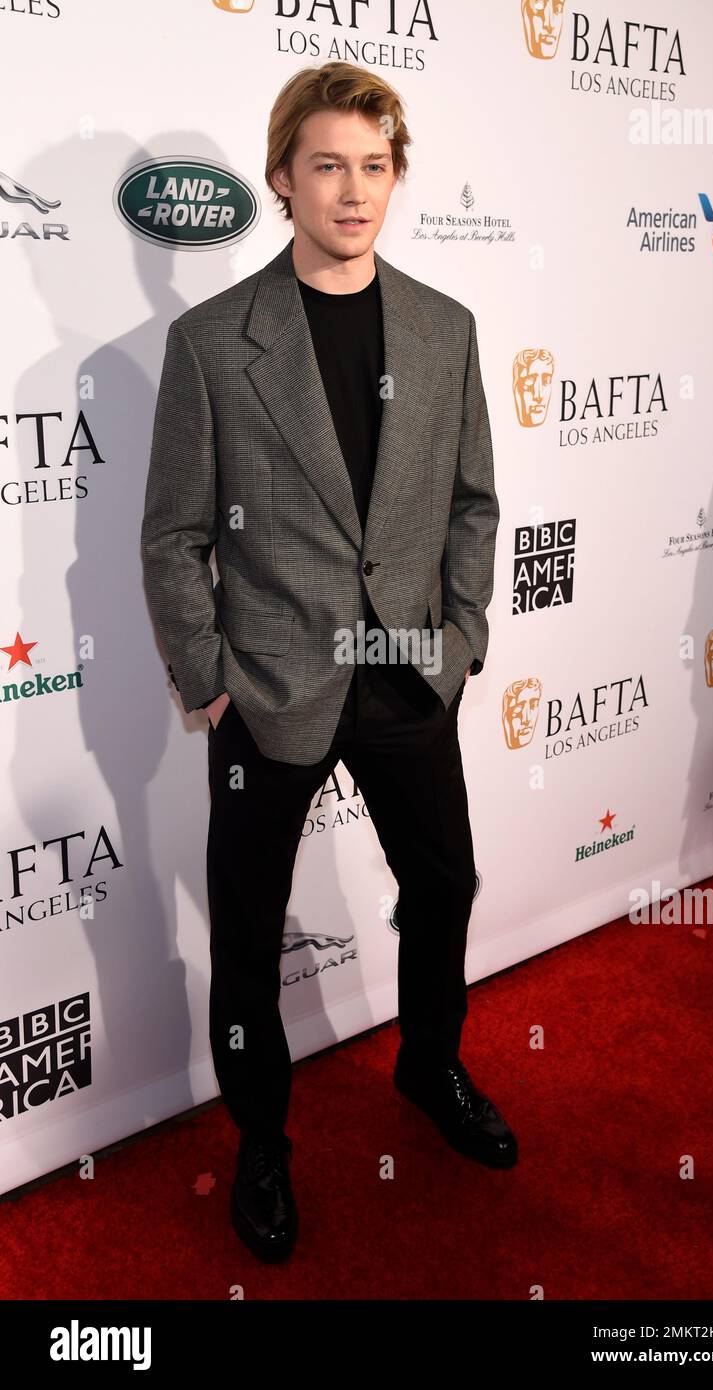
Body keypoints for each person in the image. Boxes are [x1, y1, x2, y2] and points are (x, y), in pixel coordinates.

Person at [140, 59, 516, 1265]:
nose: (351, 192)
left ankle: (427, 1064)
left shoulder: (444, 330)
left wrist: (458, 644)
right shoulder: (212, 343)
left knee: (444, 887)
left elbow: (470, 504)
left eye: (371, 166)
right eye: (326, 167)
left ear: (394, 177)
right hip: (271, 686)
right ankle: (262, 1140)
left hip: (409, 673)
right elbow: (174, 532)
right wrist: (207, 673)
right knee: (250, 931)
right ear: (281, 179)